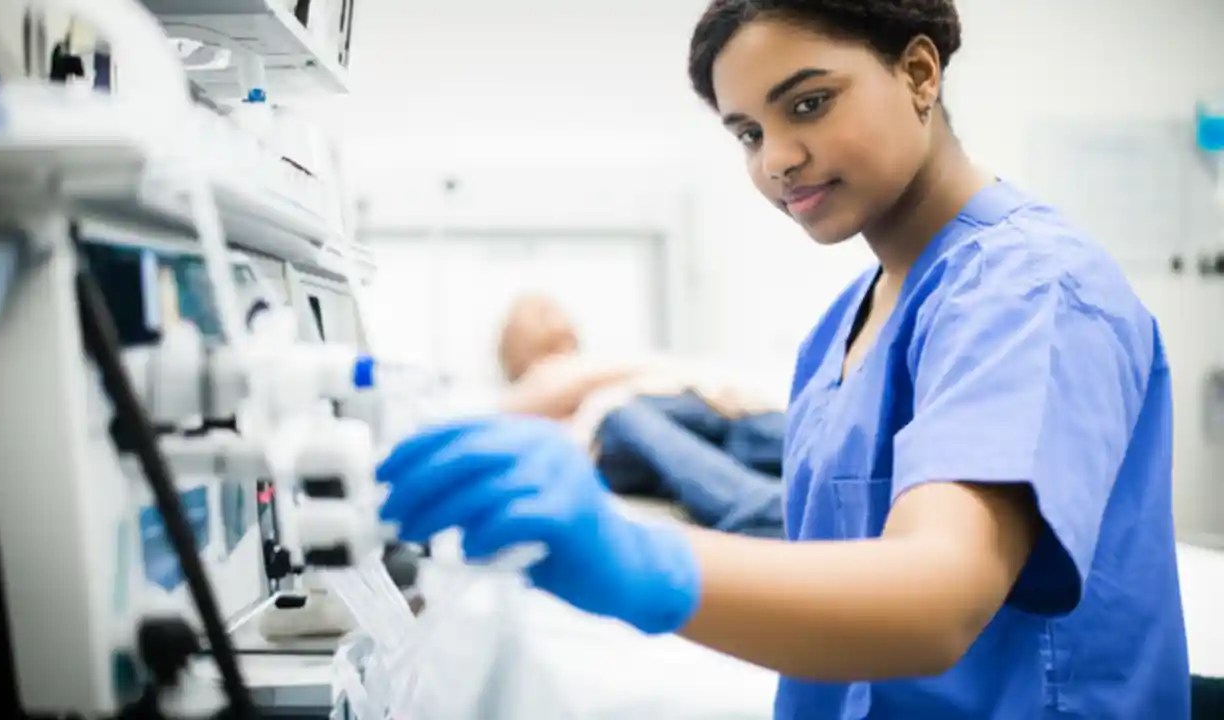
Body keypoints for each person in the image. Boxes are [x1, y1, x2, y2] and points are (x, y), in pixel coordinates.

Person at [376, 1, 1191, 717]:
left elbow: (938, 598)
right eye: (749, 133)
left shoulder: (1029, 288)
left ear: (917, 71)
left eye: (808, 103)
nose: (776, 159)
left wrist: (636, 558)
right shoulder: (841, 326)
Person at [497, 293, 789, 537]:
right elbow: (564, 386)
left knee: (737, 420)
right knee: (617, 410)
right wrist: (695, 376)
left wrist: (709, 387)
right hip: (614, 443)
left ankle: (818, 471)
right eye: (541, 314)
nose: (554, 317)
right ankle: (753, 506)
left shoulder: (594, 370)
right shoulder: (534, 382)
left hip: (676, 423)